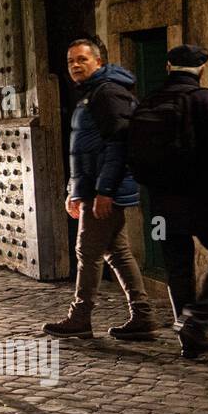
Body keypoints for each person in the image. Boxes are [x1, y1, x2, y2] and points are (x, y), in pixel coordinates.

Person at [128, 44, 208, 358]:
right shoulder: (207, 100)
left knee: (178, 268)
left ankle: (188, 340)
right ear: (202, 69)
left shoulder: (148, 102)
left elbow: (133, 155)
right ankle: (197, 320)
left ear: (168, 67)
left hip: (163, 204)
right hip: (207, 201)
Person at [43, 38, 153, 339]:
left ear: (99, 62)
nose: (75, 66)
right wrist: (74, 189)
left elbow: (118, 146)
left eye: (82, 59)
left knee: (87, 251)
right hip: (95, 189)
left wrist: (104, 191)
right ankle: (143, 315)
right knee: (116, 251)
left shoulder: (106, 94)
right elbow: (86, 151)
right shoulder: (93, 94)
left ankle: (80, 317)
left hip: (104, 191)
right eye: (71, 61)